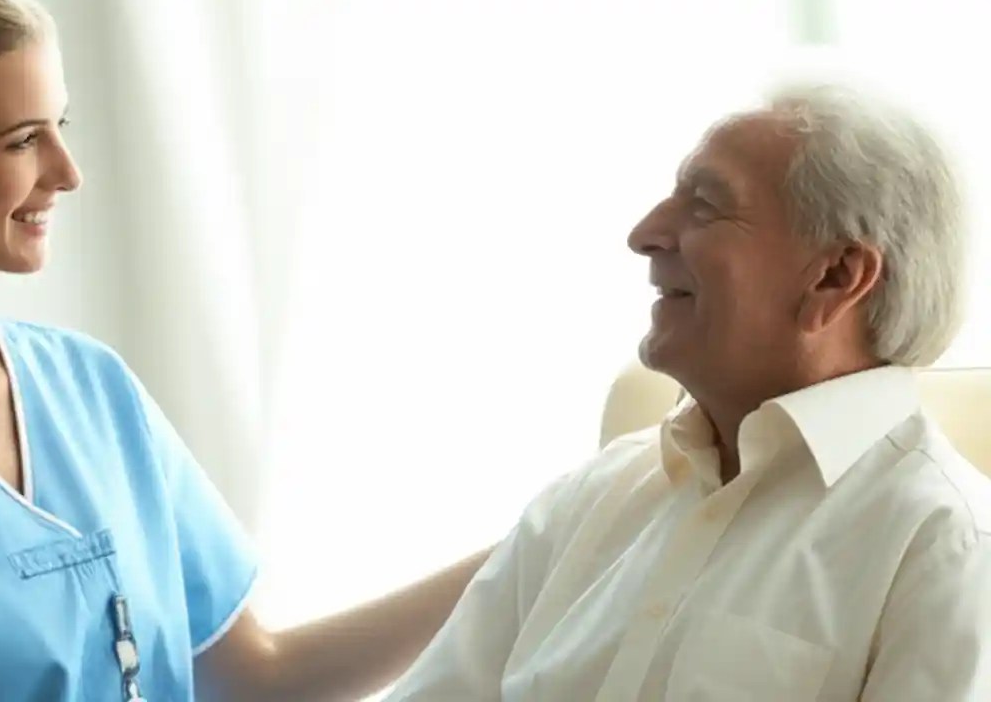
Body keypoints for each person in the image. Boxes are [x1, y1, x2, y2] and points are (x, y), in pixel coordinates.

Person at [0, 0, 489, 701]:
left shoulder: (93, 387)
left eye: (62, 127)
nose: (67, 171)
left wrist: (530, 553)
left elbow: (255, 677)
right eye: (23, 140)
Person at [385, 85, 991, 701]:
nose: (643, 234)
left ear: (836, 277)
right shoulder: (591, 497)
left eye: (705, 207)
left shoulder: (948, 546)